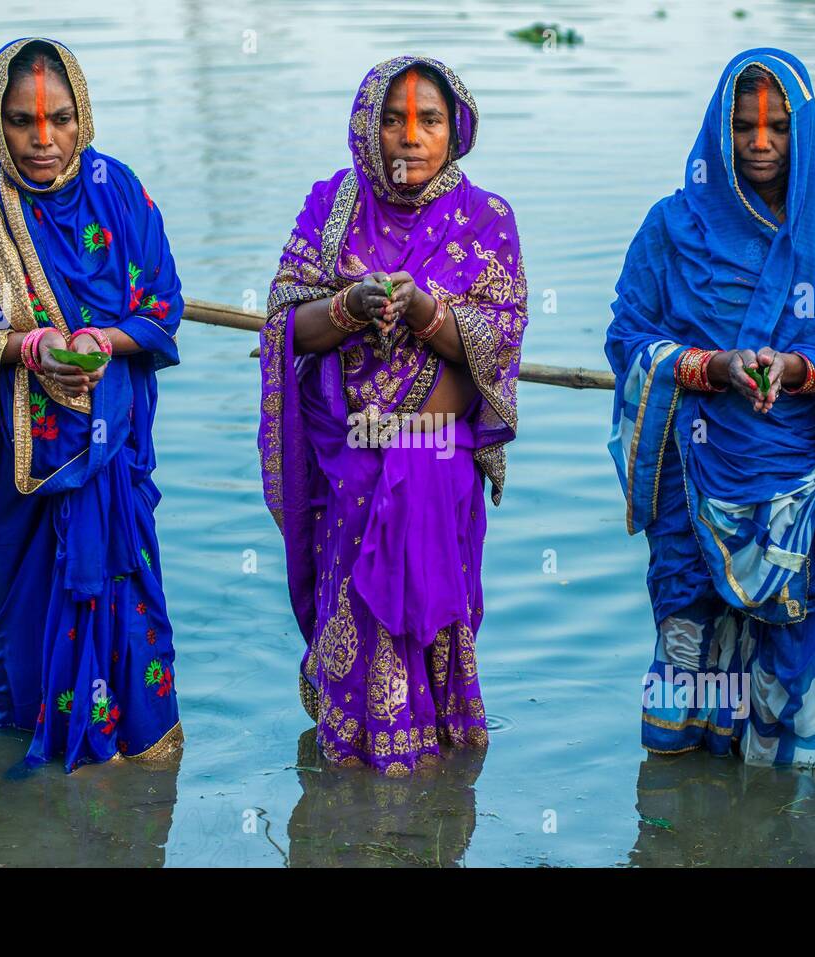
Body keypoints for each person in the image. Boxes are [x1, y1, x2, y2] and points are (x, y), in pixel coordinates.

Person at [0, 37, 184, 772]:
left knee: (125, 610)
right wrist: (27, 350)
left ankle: (134, 763)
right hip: (16, 475)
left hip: (107, 453)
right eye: (24, 122)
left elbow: (161, 303)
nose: (44, 141)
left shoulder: (118, 190)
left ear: (81, 114)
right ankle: (35, 771)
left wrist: (99, 339)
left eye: (59, 118)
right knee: (26, 639)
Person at [604, 49, 815, 768]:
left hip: (805, 501)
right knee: (688, 679)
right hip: (692, 483)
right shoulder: (673, 230)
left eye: (777, 128)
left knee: (790, 707)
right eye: (742, 125)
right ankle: (683, 827)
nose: (759, 143)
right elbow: (629, 335)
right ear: (717, 130)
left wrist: (796, 370)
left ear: (805, 133)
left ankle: (784, 813)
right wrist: (711, 368)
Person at [260, 56, 528, 776]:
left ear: (456, 129)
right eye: (393, 119)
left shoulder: (486, 219)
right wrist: (348, 307)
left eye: (429, 121)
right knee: (353, 625)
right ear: (365, 126)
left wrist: (425, 309)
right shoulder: (331, 206)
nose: (410, 137)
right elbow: (284, 324)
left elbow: (499, 342)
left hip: (438, 460)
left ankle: (432, 770)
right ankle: (356, 764)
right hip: (345, 460)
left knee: (431, 624)